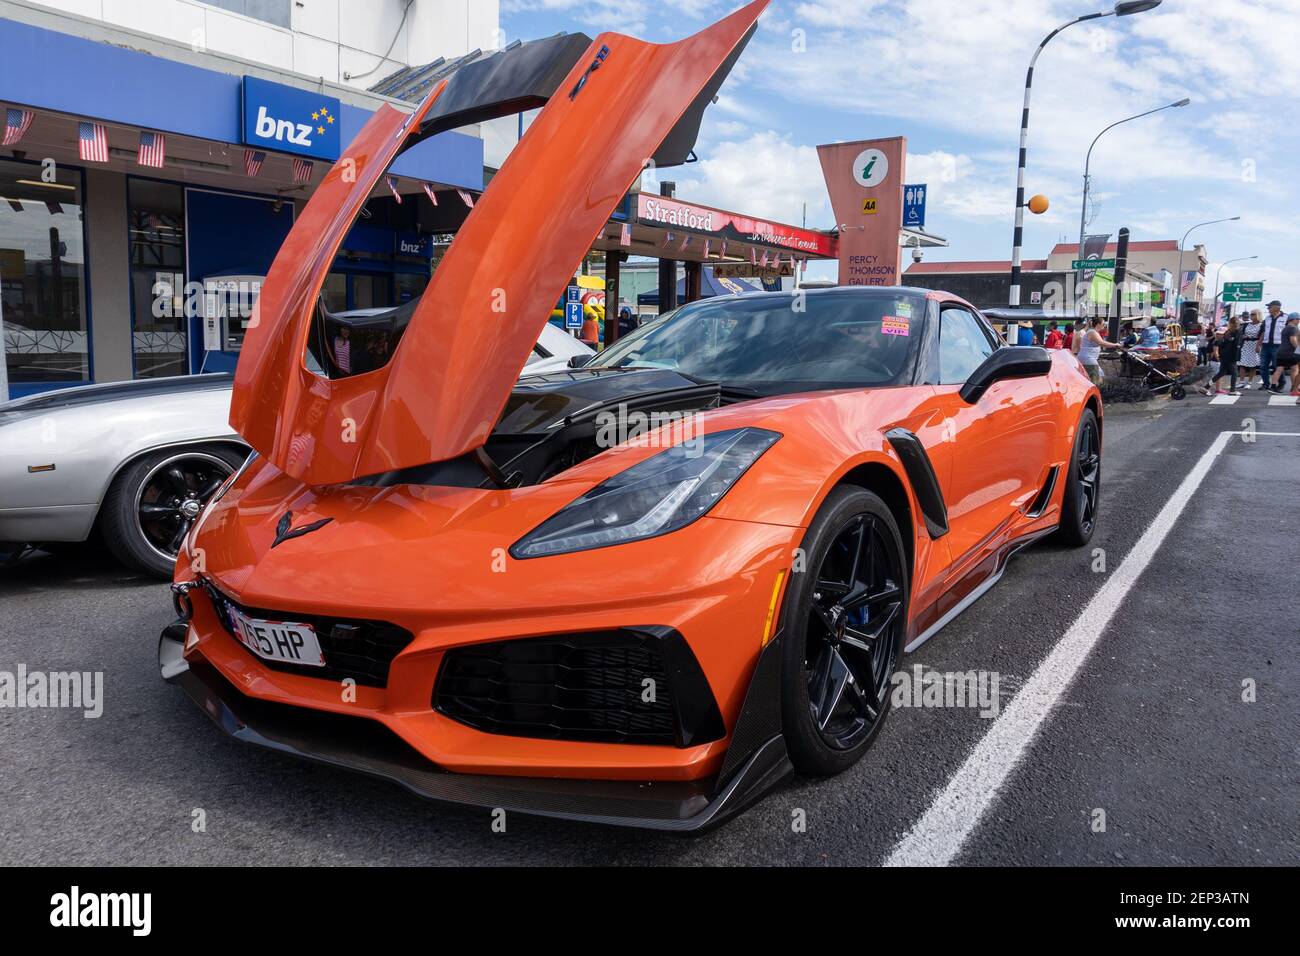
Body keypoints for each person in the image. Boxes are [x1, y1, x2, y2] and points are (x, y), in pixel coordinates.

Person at [1204, 316, 1243, 396]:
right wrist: (1237, 356)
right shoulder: (1238, 331)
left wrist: (1220, 354)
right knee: (1234, 373)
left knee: (1221, 373)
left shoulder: (1228, 331)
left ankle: (1206, 386)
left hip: (1224, 355)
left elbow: (1222, 343)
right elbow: (1237, 344)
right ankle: (1233, 390)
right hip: (1231, 355)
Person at [1076, 316, 1118, 385]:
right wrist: (1115, 345)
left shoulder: (1093, 332)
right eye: (1103, 324)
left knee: (1097, 378)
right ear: (1098, 324)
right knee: (1096, 380)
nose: (1104, 326)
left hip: (1087, 357)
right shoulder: (1092, 332)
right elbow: (1101, 343)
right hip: (1087, 358)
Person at [1267, 313, 1299, 395]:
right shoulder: (1294, 328)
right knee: (1295, 369)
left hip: (1280, 352)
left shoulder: (1285, 328)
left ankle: (1273, 387)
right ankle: (1294, 387)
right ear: (1293, 319)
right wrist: (1298, 349)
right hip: (1290, 352)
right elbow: (1293, 340)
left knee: (1279, 369)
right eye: (1298, 319)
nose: (1299, 321)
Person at [1258, 299, 1287, 388]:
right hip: (1266, 345)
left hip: (1278, 345)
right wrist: (1259, 344)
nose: (1268, 309)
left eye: (1269, 307)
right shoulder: (1267, 318)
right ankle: (1266, 384)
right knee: (1263, 366)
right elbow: (1263, 331)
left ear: (1275, 308)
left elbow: (1291, 332)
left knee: (1276, 366)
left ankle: (1281, 382)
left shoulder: (1286, 317)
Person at [1238, 309, 1265, 388]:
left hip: (1255, 344)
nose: (1251, 315)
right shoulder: (1246, 324)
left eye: (1253, 314)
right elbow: (1241, 333)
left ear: (1258, 315)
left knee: (1253, 364)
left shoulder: (1261, 325)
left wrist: (1258, 345)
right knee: (1242, 363)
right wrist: (1242, 337)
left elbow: (1261, 336)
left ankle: (1249, 382)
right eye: (1251, 314)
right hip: (1246, 344)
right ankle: (1241, 381)